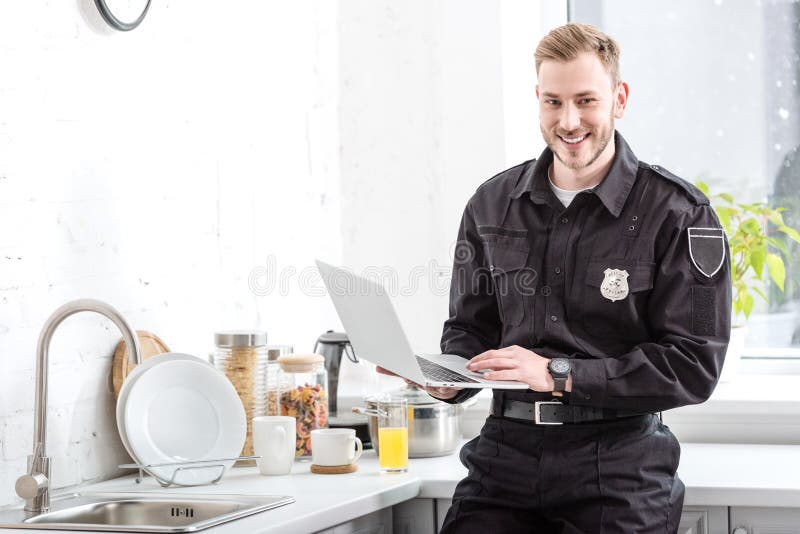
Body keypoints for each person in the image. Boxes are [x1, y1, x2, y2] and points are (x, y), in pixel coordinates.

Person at [382, 22, 731, 533]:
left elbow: (694, 365)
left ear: (619, 99)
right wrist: (447, 381)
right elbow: (470, 330)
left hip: (620, 467)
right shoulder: (490, 204)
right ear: (538, 100)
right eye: (553, 102)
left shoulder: (680, 214)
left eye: (586, 101)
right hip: (503, 459)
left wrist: (558, 374)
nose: (569, 121)